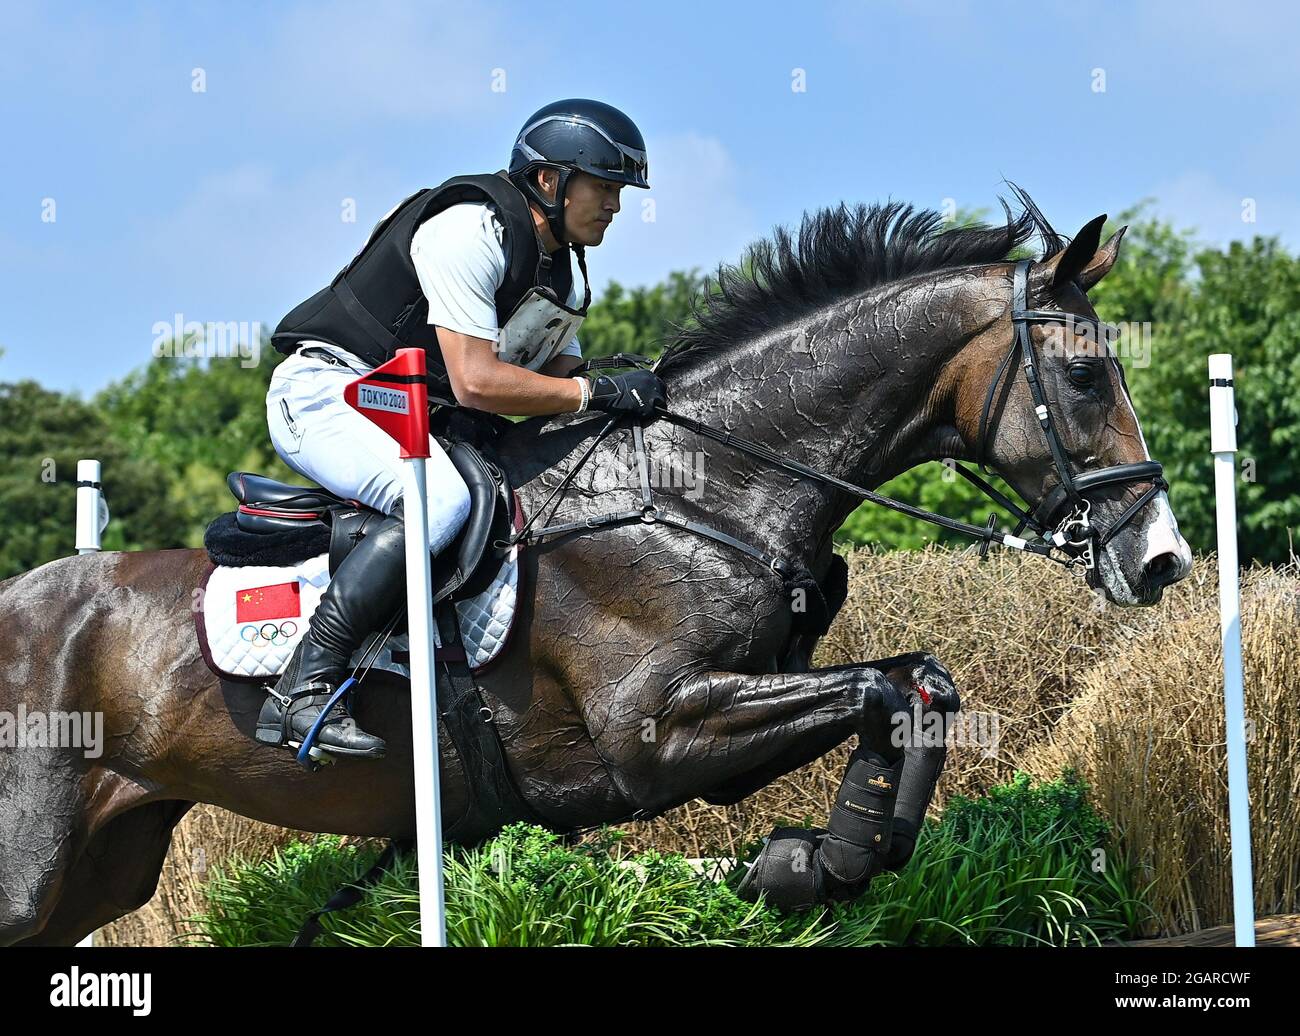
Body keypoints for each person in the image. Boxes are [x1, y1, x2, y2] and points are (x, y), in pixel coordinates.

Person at [256, 98, 668, 760]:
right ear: (549, 182)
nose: (616, 206)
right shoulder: (470, 230)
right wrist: (593, 391)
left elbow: (538, 371)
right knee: (438, 500)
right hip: (327, 393)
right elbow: (479, 381)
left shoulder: (561, 266)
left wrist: (611, 380)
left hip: (411, 414)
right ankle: (304, 686)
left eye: (621, 191)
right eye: (606, 187)